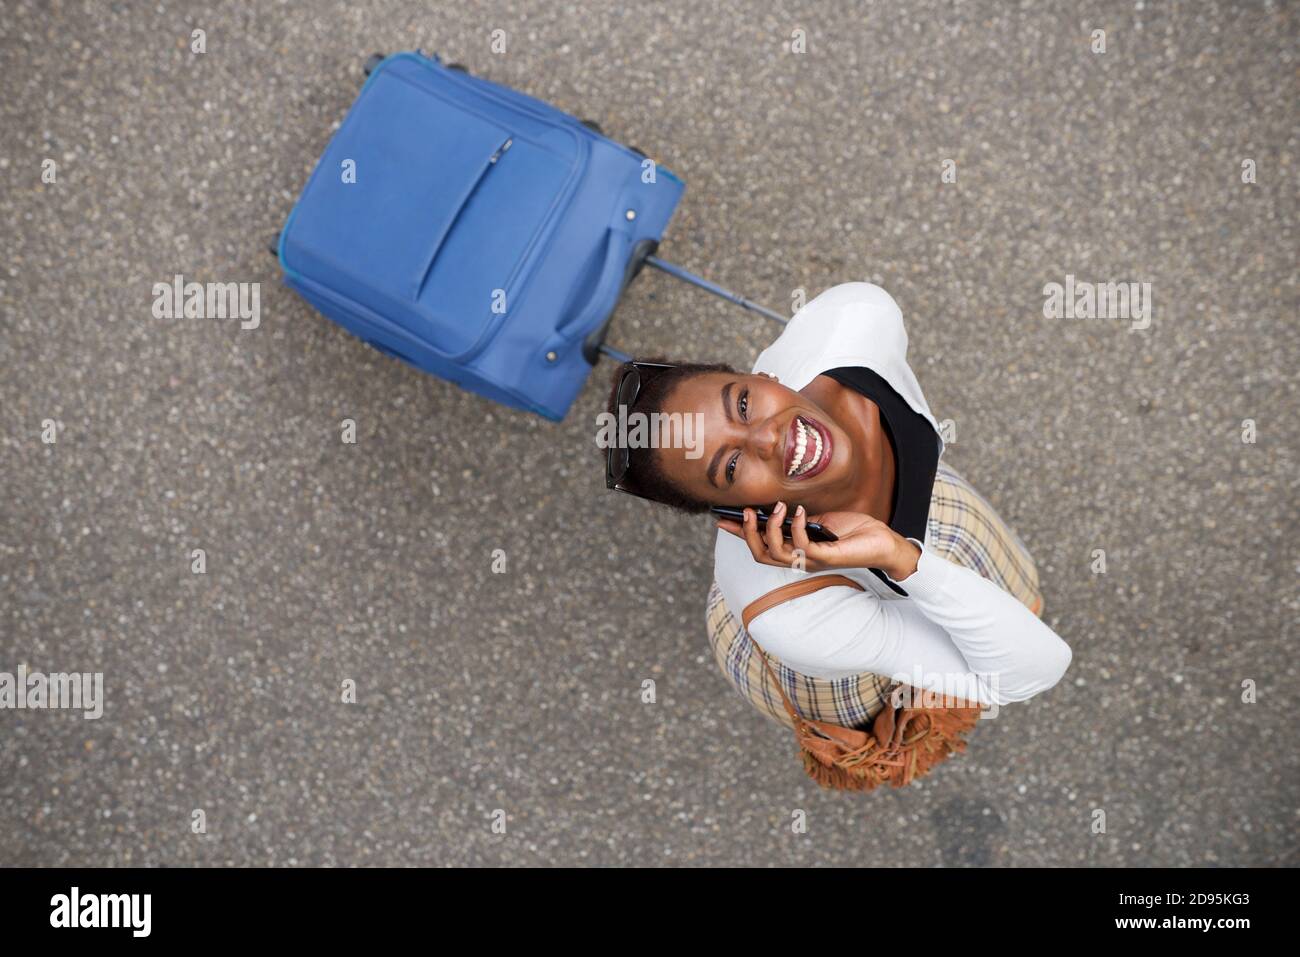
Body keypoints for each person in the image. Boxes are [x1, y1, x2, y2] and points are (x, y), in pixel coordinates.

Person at [604, 282, 1072, 733]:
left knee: (985, 615)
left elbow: (1032, 660)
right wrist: (901, 560)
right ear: (727, 515)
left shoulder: (857, 321)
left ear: (761, 376)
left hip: (934, 531)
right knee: (891, 713)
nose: (768, 437)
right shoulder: (792, 618)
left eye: (743, 403)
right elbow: (1029, 674)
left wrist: (907, 559)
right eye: (730, 467)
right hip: (821, 657)